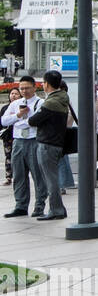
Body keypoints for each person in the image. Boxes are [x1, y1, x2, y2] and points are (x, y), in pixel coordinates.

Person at [26, 69, 70, 221]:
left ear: (47, 84)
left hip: (47, 144)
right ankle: (59, 209)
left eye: (43, 82)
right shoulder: (63, 97)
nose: (42, 85)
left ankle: (56, 210)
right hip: (57, 143)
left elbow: (33, 121)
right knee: (52, 178)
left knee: (50, 180)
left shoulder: (50, 102)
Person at [2, 76, 47, 216]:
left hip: (34, 140)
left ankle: (39, 205)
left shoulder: (40, 102)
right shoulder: (16, 104)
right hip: (18, 141)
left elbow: (36, 121)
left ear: (35, 87)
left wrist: (21, 121)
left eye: (27, 88)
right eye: (22, 88)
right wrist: (18, 115)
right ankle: (21, 205)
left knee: (37, 174)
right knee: (19, 174)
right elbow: (4, 120)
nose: (24, 91)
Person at [1, 87, 17, 184]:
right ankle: (8, 177)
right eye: (12, 93)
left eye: (16, 93)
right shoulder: (5, 108)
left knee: (17, 158)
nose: (13, 95)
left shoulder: (22, 106)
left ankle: (17, 176)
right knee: (8, 156)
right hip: (7, 137)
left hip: (18, 136)